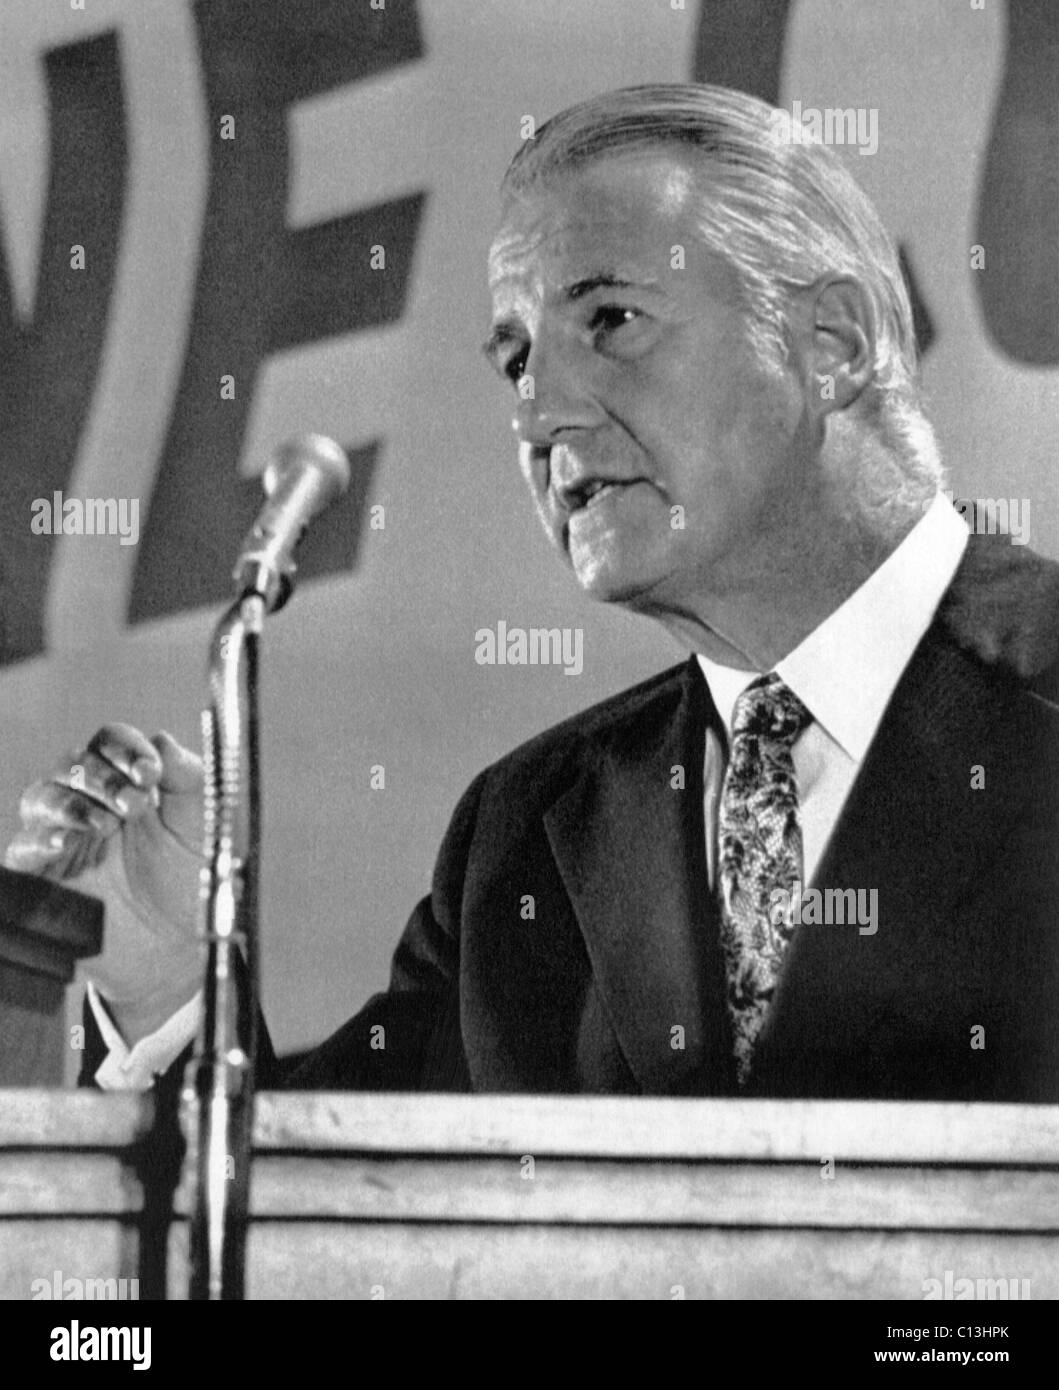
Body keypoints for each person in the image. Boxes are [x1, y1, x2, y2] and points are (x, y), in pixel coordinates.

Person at [7, 84, 1059, 1100]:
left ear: (833, 342)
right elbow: (350, 1217)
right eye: (515, 362)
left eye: (609, 320)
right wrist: (172, 983)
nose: (538, 410)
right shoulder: (527, 831)